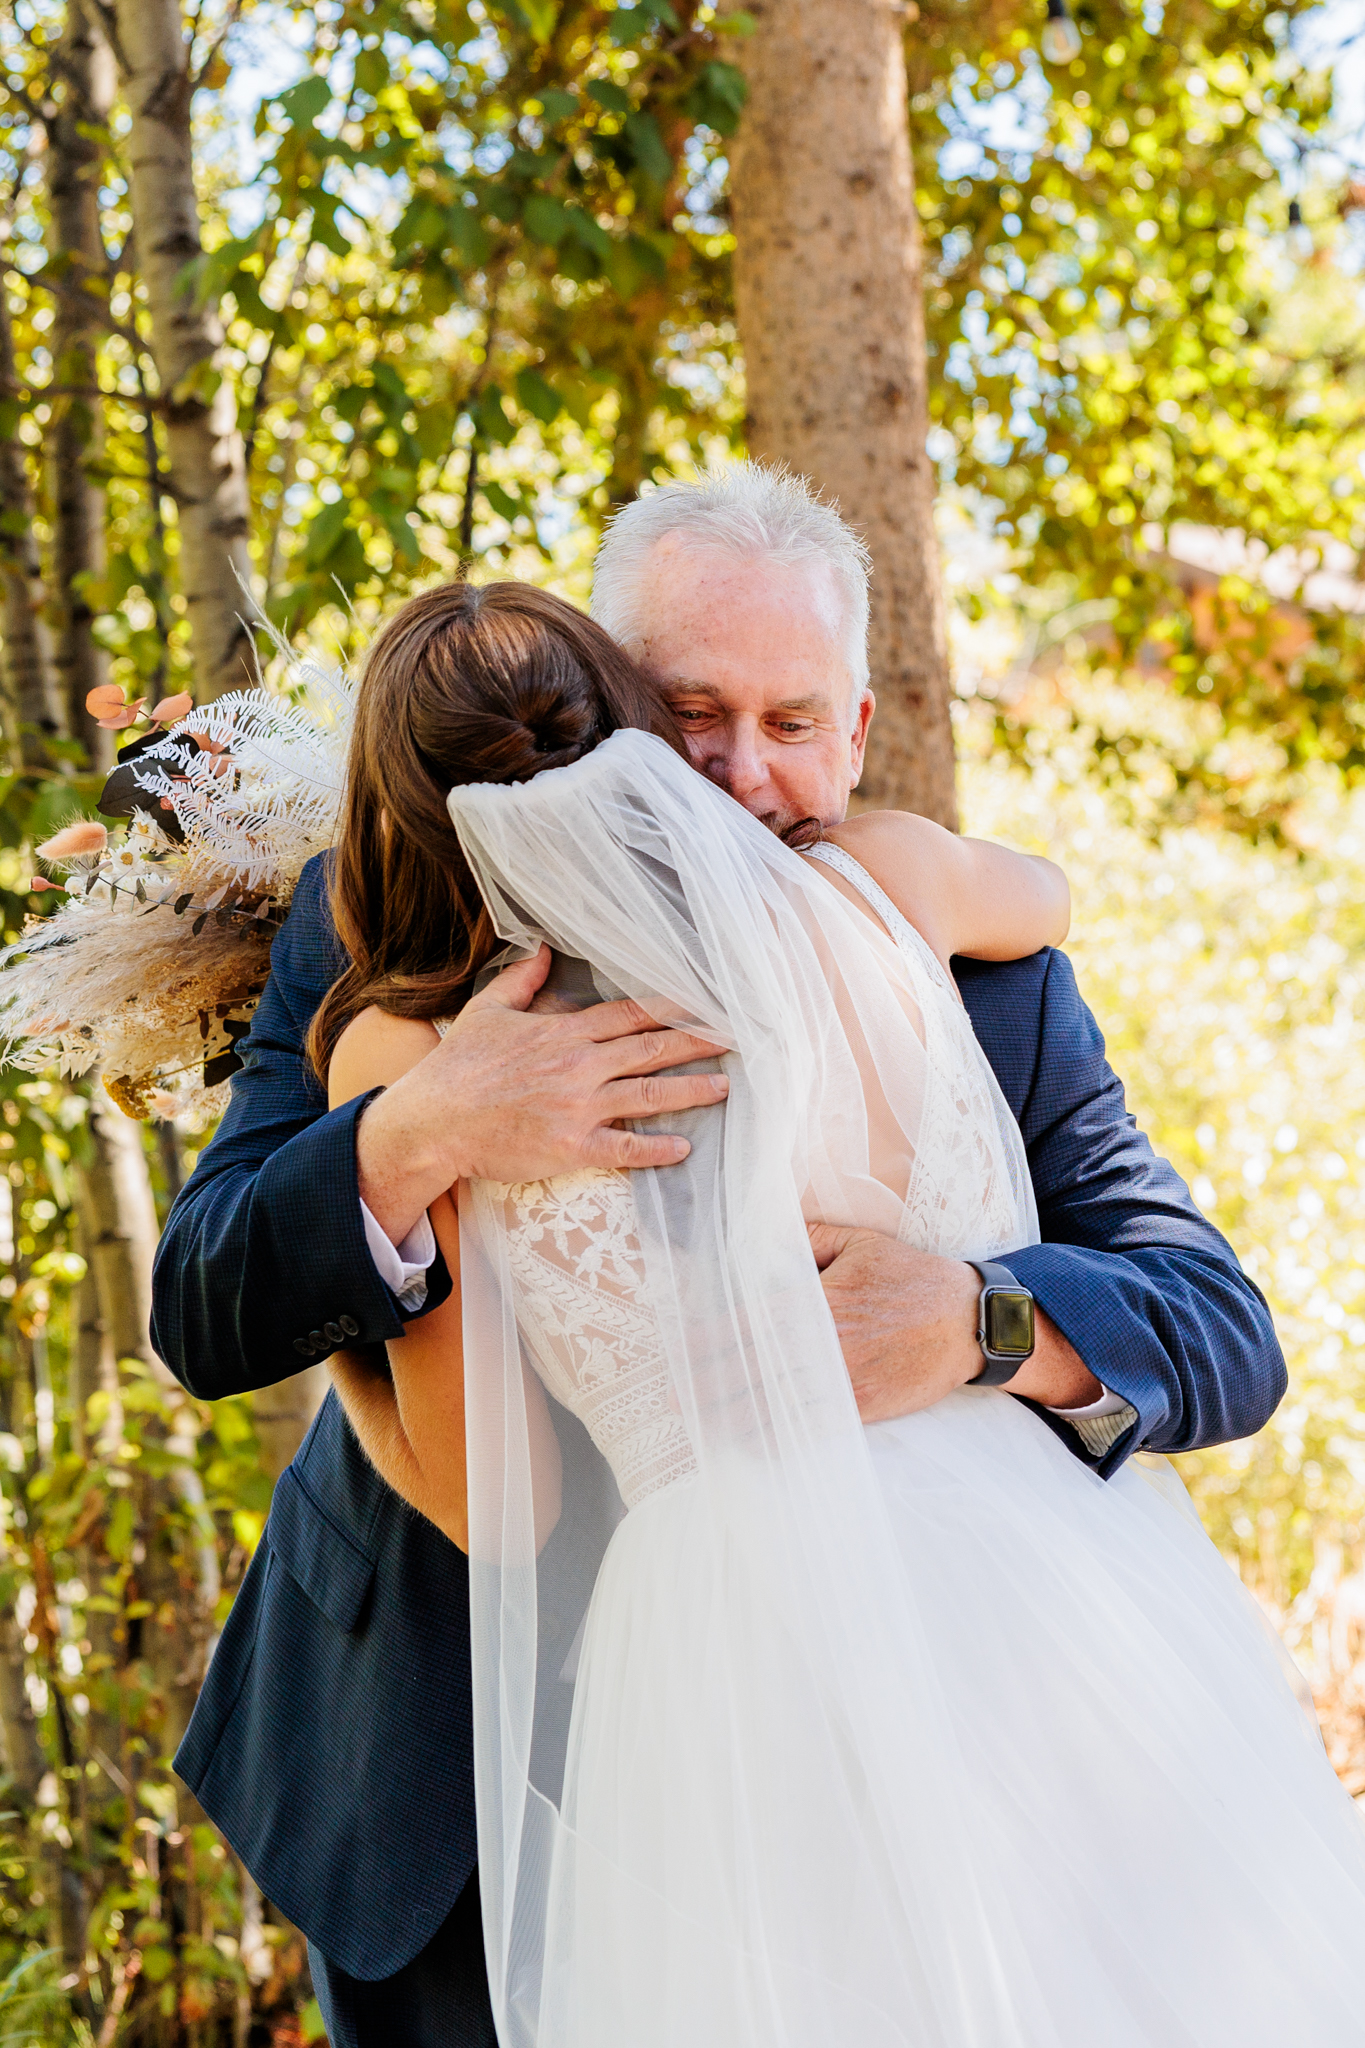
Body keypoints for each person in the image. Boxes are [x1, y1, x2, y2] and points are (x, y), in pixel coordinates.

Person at [154, 467, 1287, 2046]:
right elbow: (204, 1300)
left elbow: (1222, 1329)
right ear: (601, 686)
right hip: (442, 1770)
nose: (746, 776)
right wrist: (423, 1134)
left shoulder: (969, 959)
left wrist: (976, 1319)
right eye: (691, 711)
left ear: (863, 728)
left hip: (941, 1752)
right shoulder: (379, 923)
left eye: (794, 722)